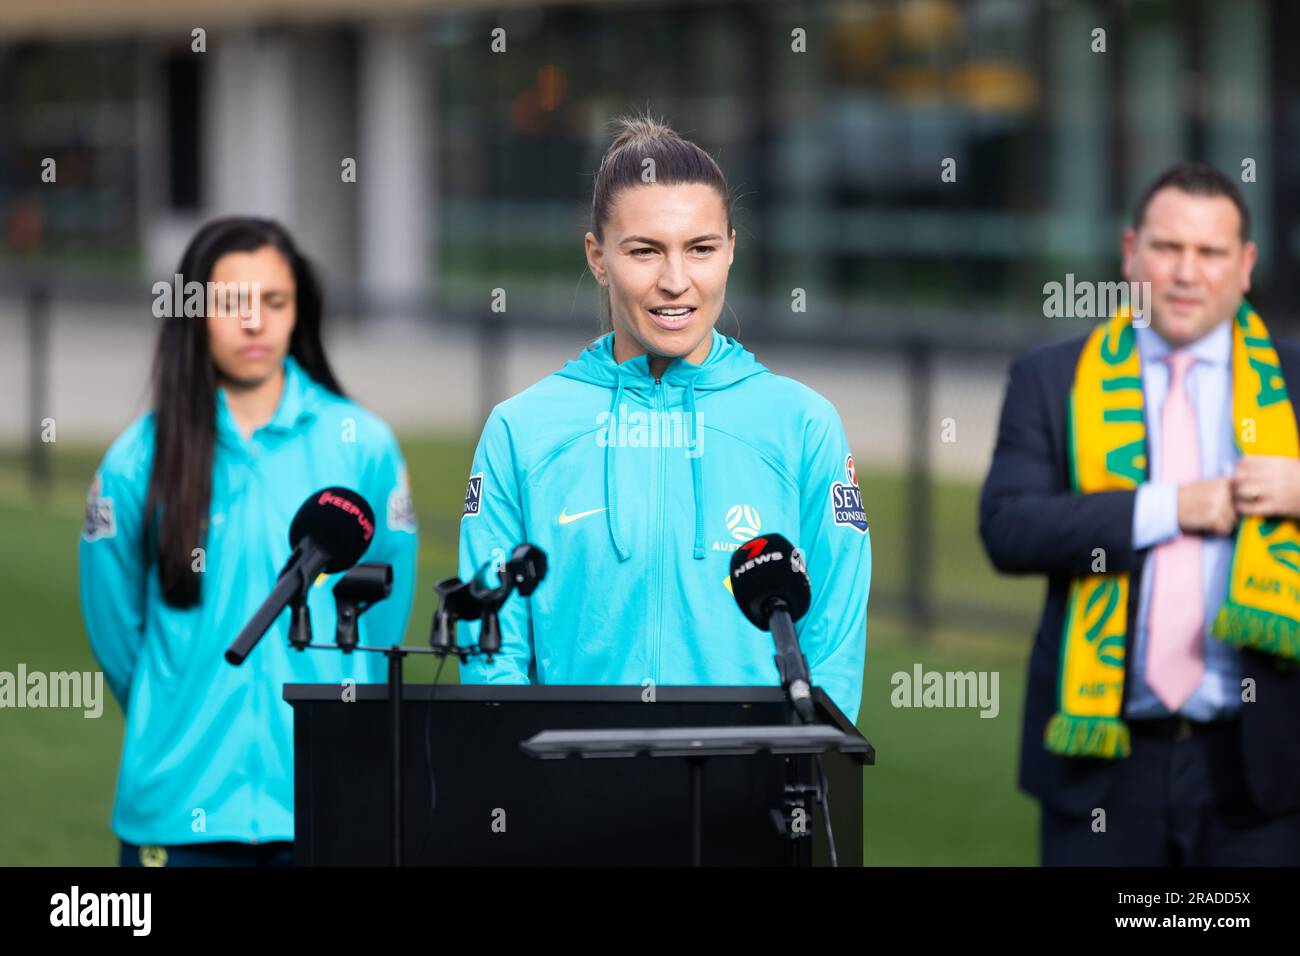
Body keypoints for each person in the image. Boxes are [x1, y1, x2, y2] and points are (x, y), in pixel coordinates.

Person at [454, 115, 870, 724]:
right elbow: (491, 647)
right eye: (645, 251)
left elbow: (833, 642)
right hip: (572, 797)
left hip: (752, 803)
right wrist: (533, 786)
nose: (676, 282)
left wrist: (799, 774)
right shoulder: (520, 431)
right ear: (597, 257)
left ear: (730, 249)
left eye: (700, 249)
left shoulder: (803, 425)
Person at [980, 162, 1300, 865]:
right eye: (1167, 248)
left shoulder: (1294, 382)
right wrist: (1171, 508)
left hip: (1263, 773)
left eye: (1210, 253)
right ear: (1131, 253)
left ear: (1245, 266)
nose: (1187, 272)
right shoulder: (1052, 377)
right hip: (1102, 769)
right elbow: (1008, 528)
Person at [79, 217, 418, 866]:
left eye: (274, 301)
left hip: (329, 803)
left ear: (299, 313)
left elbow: (381, 619)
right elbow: (118, 634)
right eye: (232, 302)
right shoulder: (135, 459)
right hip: (178, 809)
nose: (254, 322)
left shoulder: (363, 445)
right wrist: (172, 708)